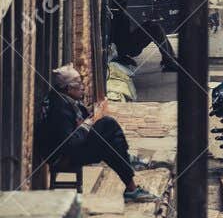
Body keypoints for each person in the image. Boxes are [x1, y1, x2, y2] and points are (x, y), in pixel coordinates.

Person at [37, 66, 154, 201]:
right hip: (63, 158)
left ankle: (131, 186)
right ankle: (129, 172)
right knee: (108, 126)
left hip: (73, 150)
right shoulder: (60, 108)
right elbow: (70, 142)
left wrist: (85, 124)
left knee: (111, 144)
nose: (83, 87)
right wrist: (86, 125)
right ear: (69, 88)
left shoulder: (69, 100)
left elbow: (86, 120)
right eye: (79, 85)